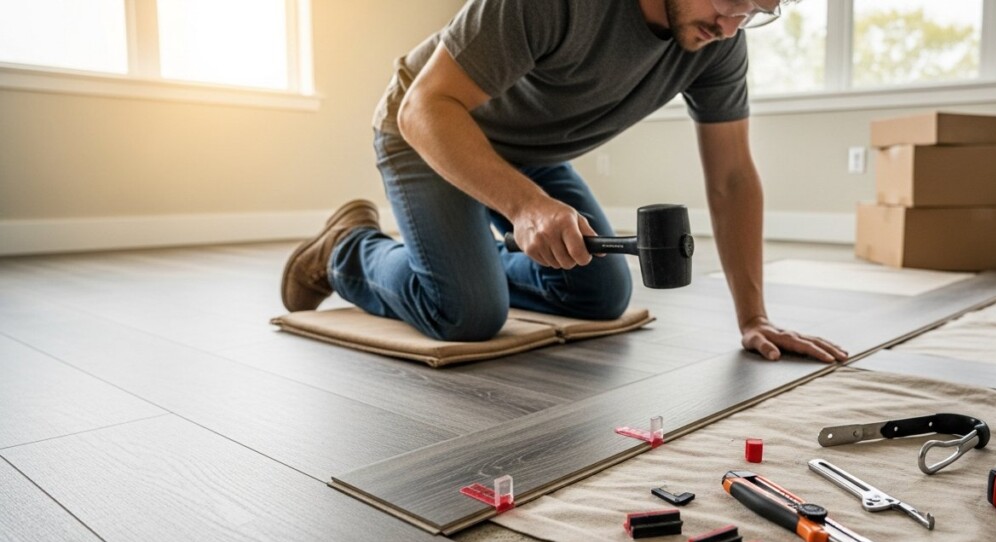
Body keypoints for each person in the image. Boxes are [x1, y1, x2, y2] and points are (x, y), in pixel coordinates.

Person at [282, 0, 848, 363]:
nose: (731, 25)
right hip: (433, 131)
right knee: (468, 315)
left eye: (756, 10)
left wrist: (753, 317)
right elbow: (423, 108)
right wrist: (526, 207)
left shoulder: (718, 42)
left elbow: (732, 177)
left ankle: (466, 257)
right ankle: (345, 249)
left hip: (532, 153)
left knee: (599, 295)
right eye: (730, 0)